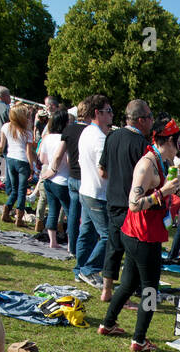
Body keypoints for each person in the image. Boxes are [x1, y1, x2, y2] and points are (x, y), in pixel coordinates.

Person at [97, 118, 180, 352]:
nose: (179, 148)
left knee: (127, 283)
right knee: (150, 290)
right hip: (142, 236)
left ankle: (107, 323)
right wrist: (161, 193)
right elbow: (134, 204)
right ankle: (139, 339)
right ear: (170, 141)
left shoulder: (159, 161)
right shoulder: (147, 164)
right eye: (178, 142)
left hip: (142, 233)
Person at [98, 100, 153, 302]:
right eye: (149, 117)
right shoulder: (143, 145)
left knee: (113, 248)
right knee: (131, 253)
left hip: (112, 198)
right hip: (132, 204)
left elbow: (102, 170)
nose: (151, 121)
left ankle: (107, 289)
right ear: (141, 120)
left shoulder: (112, 136)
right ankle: (124, 294)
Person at [74, 94, 111, 284]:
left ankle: (80, 269)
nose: (111, 115)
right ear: (97, 113)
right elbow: (103, 171)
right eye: (108, 111)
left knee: (87, 233)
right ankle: (89, 269)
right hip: (96, 193)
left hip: (86, 189)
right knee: (108, 236)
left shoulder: (87, 132)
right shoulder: (99, 138)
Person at [0, 103, 37, 227]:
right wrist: (31, 167)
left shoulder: (6, 127)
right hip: (22, 161)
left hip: (10, 158)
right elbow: (28, 152)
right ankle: (19, 218)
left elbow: (1, 145)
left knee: (14, 189)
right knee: (22, 190)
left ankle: (6, 211)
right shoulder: (27, 132)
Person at [36, 110, 71, 250]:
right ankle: (70, 243)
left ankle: (53, 241)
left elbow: (42, 158)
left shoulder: (47, 138)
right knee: (70, 213)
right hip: (62, 179)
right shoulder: (65, 138)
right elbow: (68, 160)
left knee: (52, 211)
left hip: (49, 178)